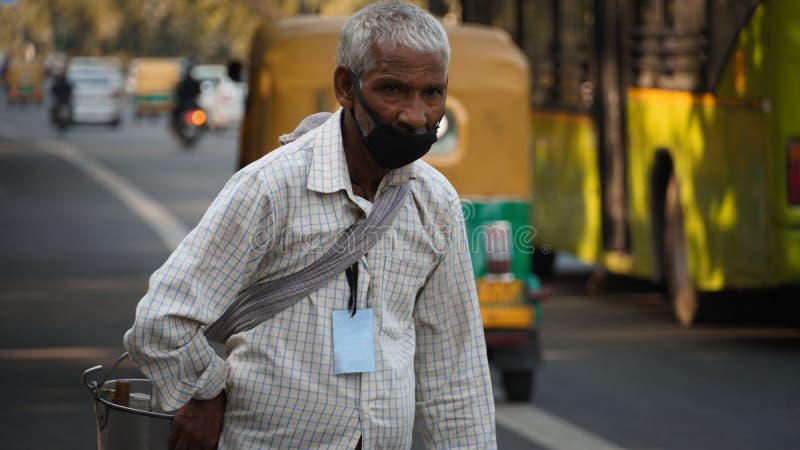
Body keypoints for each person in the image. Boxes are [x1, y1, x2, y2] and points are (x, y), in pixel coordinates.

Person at [124, 1, 496, 449]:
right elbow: (160, 323)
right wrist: (206, 389)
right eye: (392, 90)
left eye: (432, 94)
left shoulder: (435, 204)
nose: (415, 115)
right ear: (346, 87)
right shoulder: (271, 188)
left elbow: (455, 377)